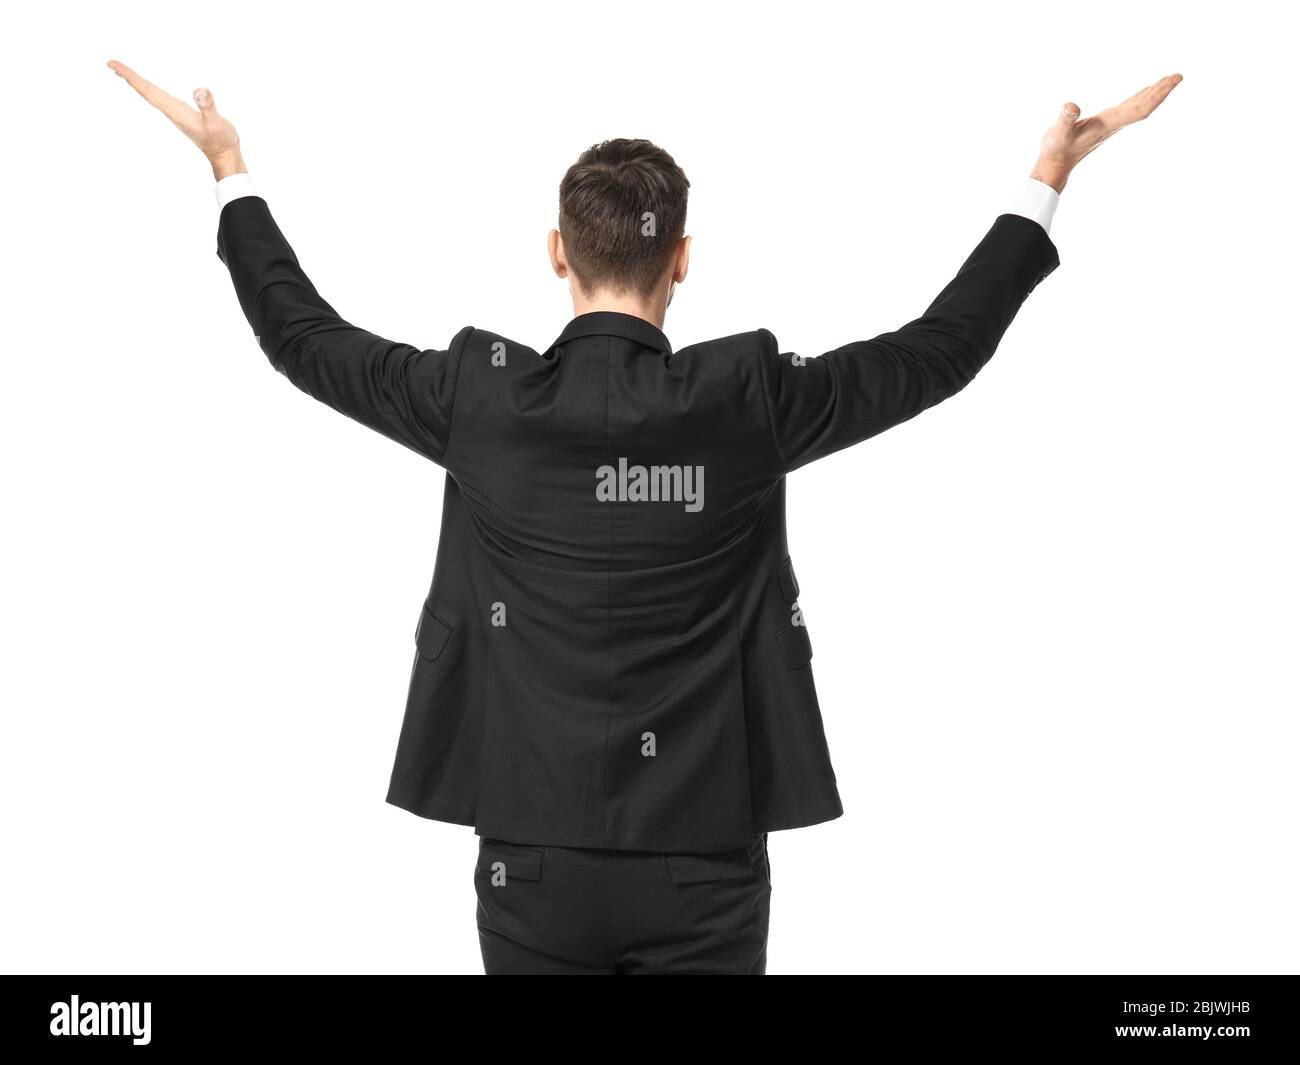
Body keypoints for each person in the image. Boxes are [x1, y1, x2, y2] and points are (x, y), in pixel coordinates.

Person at [108, 61, 1182, 974]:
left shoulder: (477, 401)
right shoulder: (747, 400)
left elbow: (302, 336)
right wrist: (1045, 180)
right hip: (704, 866)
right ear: (681, 259)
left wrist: (229, 169)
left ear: (555, 251)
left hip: (529, 863)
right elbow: (940, 348)